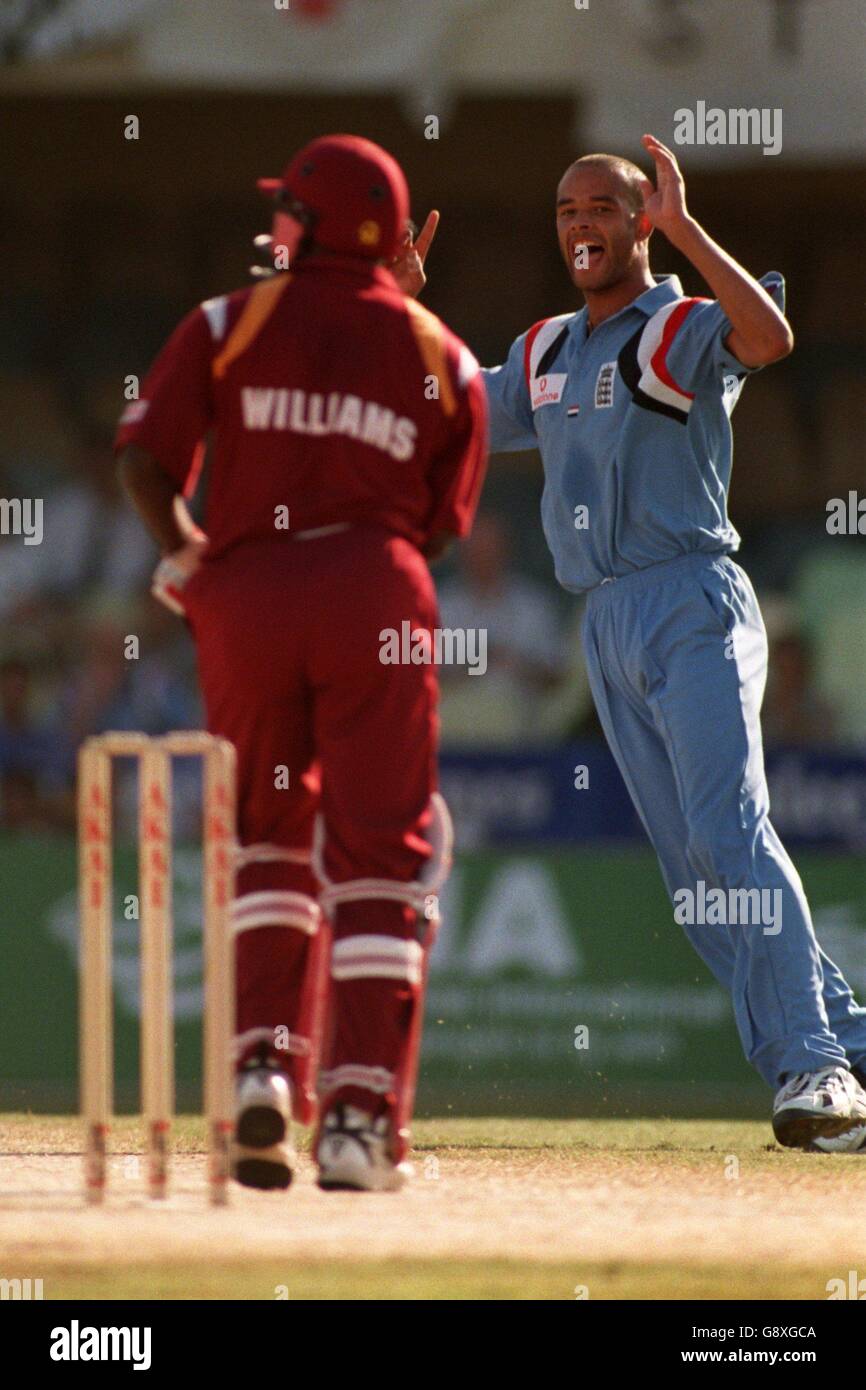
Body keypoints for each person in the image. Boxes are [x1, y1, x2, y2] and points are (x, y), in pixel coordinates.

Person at [398, 133, 866, 1152]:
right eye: (566, 210)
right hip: (602, 622)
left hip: (691, 594)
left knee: (728, 832)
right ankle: (850, 1045)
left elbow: (770, 336)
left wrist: (689, 228)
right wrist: (396, 311)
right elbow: (447, 411)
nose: (580, 225)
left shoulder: (674, 327)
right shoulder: (544, 351)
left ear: (640, 220)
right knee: (697, 878)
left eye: (603, 207)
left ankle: (812, 1068)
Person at [115, 135, 488, 1191]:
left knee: (267, 839)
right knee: (381, 855)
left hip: (245, 599)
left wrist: (189, 551)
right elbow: (439, 528)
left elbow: (146, 458)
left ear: (310, 224)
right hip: (374, 591)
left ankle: (262, 1077)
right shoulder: (442, 355)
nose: (275, 226)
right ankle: (359, 1123)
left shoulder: (231, 320)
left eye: (288, 212)